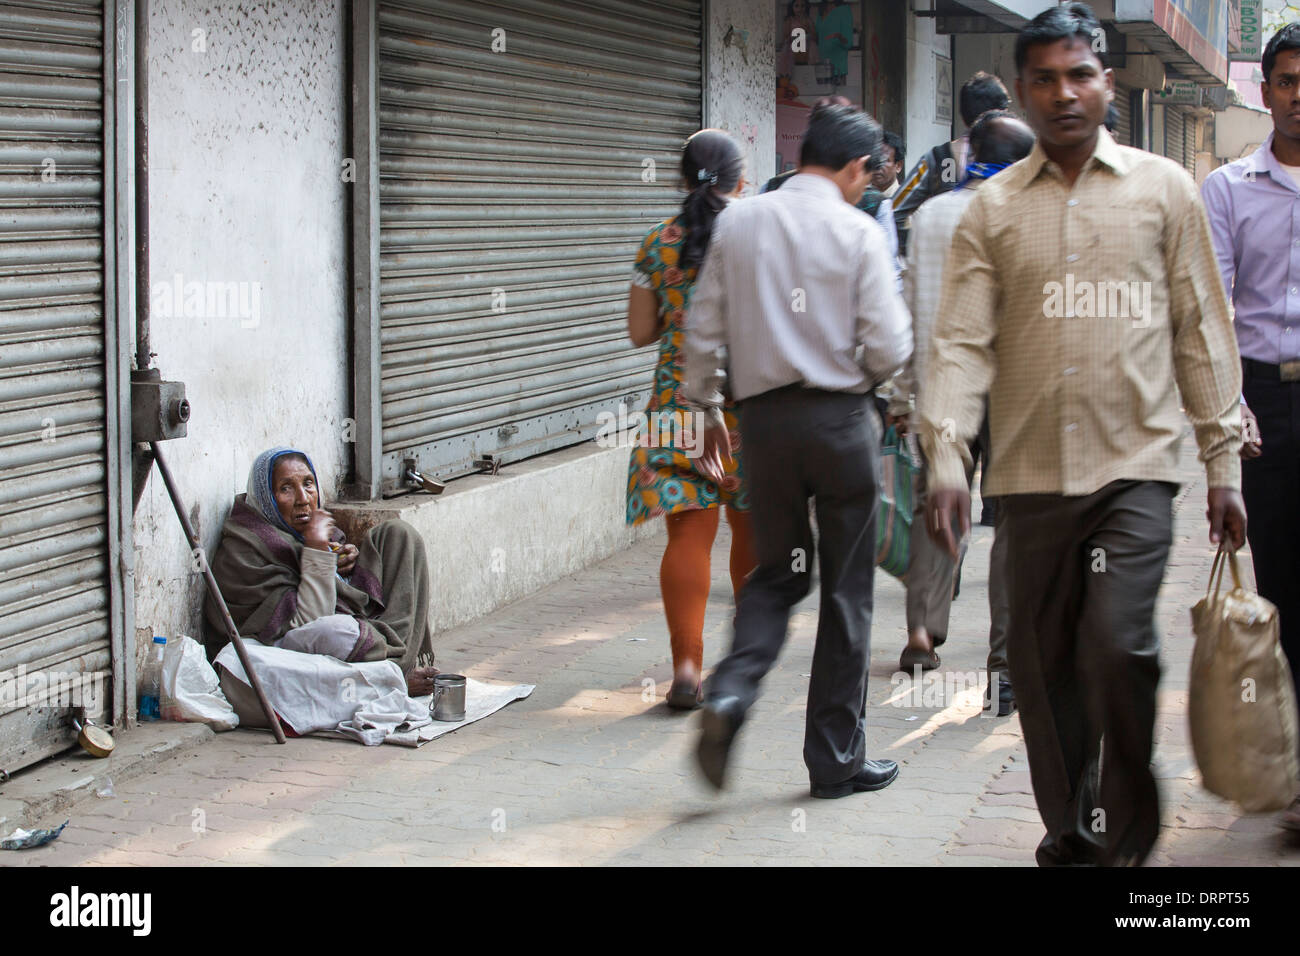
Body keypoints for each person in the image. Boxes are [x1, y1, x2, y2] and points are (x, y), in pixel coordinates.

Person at [917, 3, 1246, 866]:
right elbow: (957, 347)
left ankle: (1127, 832)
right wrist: (946, 459)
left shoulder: (1164, 191)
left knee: (1120, 646)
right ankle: (1074, 835)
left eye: (1080, 75)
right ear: (1023, 92)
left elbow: (1200, 331)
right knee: (1045, 675)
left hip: (1135, 470)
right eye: (1045, 79)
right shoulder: (990, 212)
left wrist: (1223, 466)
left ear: (1106, 83)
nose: (1065, 94)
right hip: (1026, 482)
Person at [683, 104, 912, 799]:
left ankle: (728, 694)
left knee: (777, 577)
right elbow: (891, 347)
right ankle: (835, 761)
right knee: (847, 590)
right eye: (866, 174)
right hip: (842, 425)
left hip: (765, 428)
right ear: (853, 168)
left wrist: (706, 410)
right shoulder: (859, 230)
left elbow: (700, 332)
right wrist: (886, 394)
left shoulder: (740, 220)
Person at [888, 110, 1034, 718]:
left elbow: (909, 308)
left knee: (937, 506)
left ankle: (922, 632)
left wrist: (901, 394)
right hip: (1015, 392)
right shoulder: (1027, 212)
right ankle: (1004, 663)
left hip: (941, 390)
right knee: (1014, 522)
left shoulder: (928, 216)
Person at [1200, 21, 1300, 833]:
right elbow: (1214, 311)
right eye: (1289, 80)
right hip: (1269, 406)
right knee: (1285, 592)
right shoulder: (1228, 190)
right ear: (1265, 91)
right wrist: (1231, 410)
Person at [625, 129, 757, 711]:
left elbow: (639, 332)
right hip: (750, 407)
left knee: (689, 533)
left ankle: (685, 667)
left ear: (681, 180)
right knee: (752, 531)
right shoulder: (759, 235)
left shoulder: (657, 243)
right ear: (741, 181)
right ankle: (746, 663)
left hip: (677, 407)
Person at [205, 447, 439, 696]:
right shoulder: (243, 551)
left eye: (308, 484)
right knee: (337, 631)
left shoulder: (298, 535)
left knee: (398, 535)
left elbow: (341, 592)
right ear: (266, 499)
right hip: (287, 647)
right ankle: (392, 677)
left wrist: (341, 565)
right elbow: (308, 623)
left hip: (340, 629)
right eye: (286, 488)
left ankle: (396, 659)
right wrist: (316, 551)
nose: (303, 498)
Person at [892, 71, 1011, 254]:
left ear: (962, 116)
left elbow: (894, 211)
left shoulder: (940, 158)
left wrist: (922, 246)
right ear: (1003, 114)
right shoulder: (1021, 156)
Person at [815, 1, 854, 87]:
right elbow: (818, 36)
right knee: (822, 98)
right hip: (822, 67)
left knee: (837, 98)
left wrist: (839, 37)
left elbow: (848, 43)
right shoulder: (821, 10)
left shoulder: (844, 10)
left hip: (837, 68)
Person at [777, 0, 818, 81]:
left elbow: (815, 37)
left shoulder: (808, 20)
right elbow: (785, 37)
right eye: (797, 6)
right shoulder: (789, 20)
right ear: (792, 7)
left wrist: (806, 29)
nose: (800, 9)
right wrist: (794, 37)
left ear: (806, 7)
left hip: (806, 50)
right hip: (793, 49)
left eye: (802, 6)